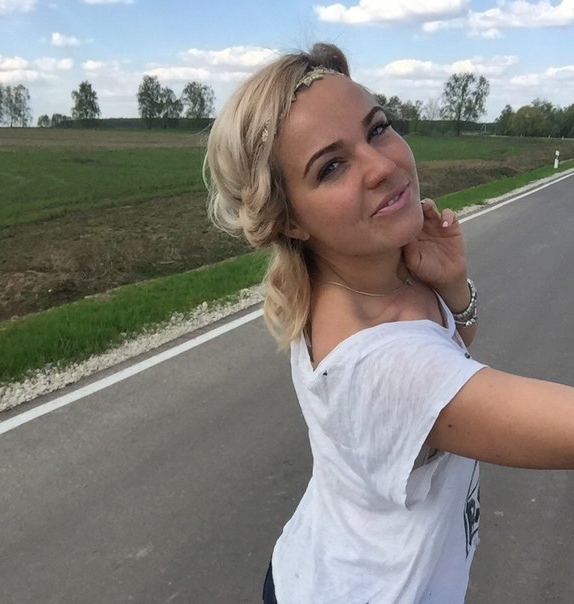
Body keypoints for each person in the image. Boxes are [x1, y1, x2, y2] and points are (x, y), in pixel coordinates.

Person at [204, 43, 574, 604]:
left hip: (312, 563)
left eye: (376, 129)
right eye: (331, 167)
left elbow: (446, 353)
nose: (381, 166)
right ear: (290, 220)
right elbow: (425, 378)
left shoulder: (356, 280)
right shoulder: (385, 366)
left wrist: (453, 289)